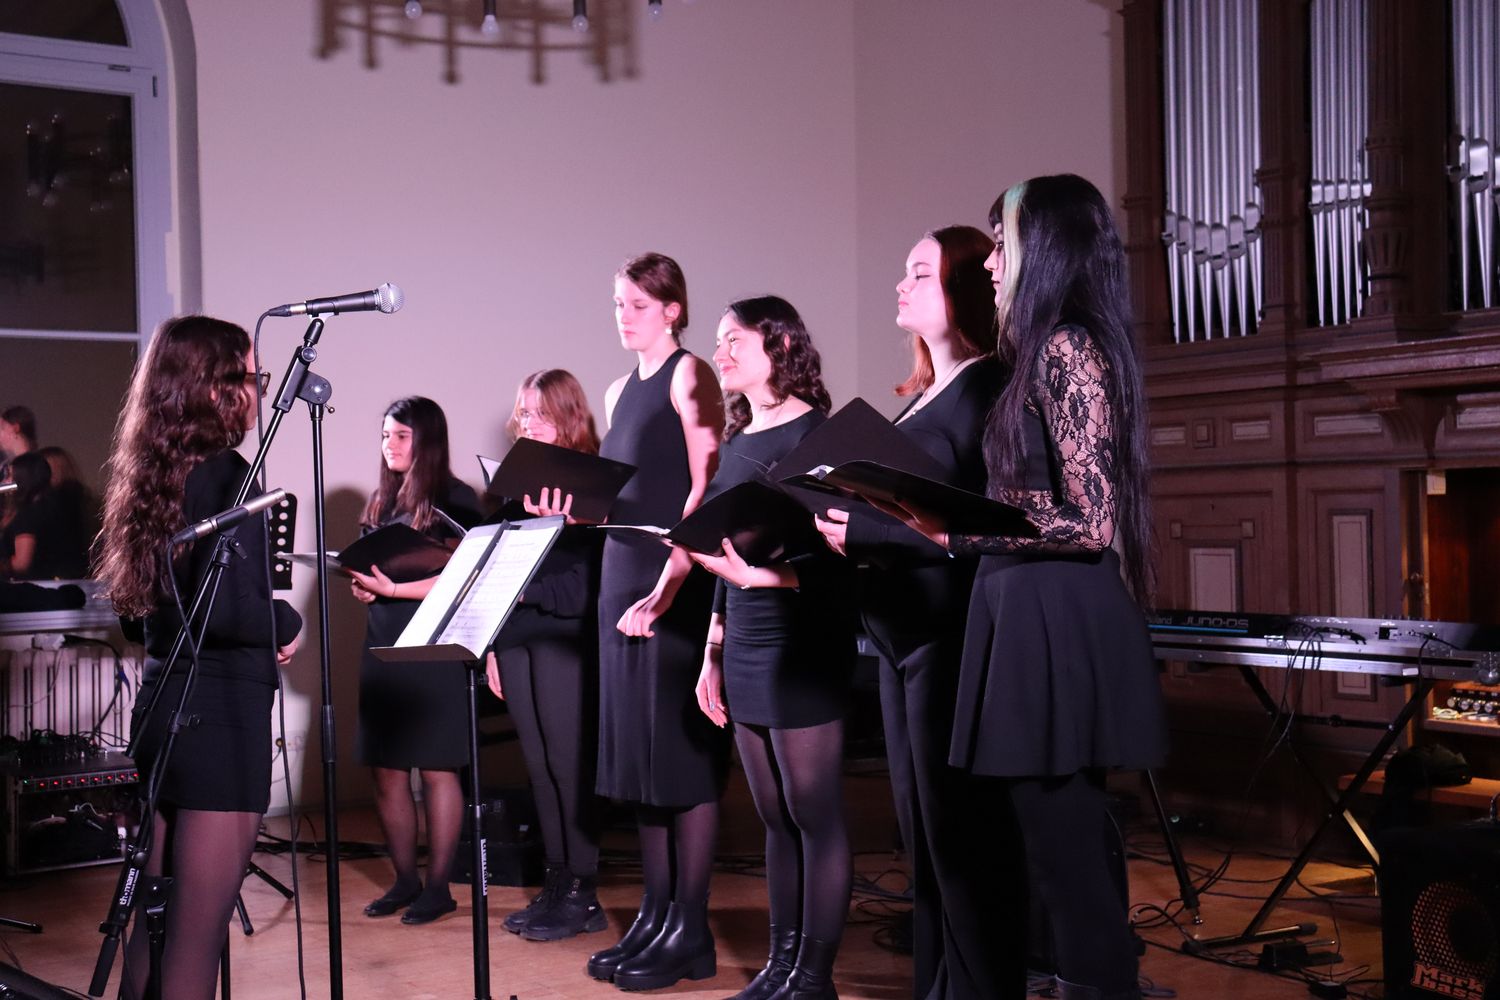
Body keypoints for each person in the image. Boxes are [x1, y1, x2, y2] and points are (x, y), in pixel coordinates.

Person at [884, 175, 1167, 1000]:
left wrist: (953, 529)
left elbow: (1092, 521)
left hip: (1055, 619)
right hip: (1023, 610)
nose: (992, 262)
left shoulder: (1064, 347)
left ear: (1047, 247)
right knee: (1053, 858)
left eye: (1003, 244)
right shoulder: (1039, 348)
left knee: (1068, 869)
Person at [812, 226, 1018, 1000]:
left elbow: (983, 526)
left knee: (959, 837)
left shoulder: (990, 388)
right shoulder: (924, 395)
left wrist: (865, 531)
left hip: (948, 635)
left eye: (920, 273)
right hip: (897, 639)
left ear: (962, 288)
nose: (901, 285)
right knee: (923, 839)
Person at [94, 315, 303, 1000]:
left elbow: (134, 614)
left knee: (151, 928)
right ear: (215, 388)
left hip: (162, 713)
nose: (257, 390)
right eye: (251, 376)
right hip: (221, 723)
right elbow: (233, 613)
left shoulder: (147, 476)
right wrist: (286, 618)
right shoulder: (229, 476)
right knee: (195, 936)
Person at [690, 296, 857, 1000]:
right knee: (774, 818)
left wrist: (762, 578)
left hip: (804, 640)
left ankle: (813, 977)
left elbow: (846, 563)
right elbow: (723, 552)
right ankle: (780, 966)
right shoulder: (740, 439)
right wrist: (712, 649)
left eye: (735, 339)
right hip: (747, 638)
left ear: (781, 344)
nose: (720, 352)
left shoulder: (820, 436)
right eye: (718, 341)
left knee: (814, 814)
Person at [587, 252, 727, 991]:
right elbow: (623, 495)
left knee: (679, 755)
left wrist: (672, 582)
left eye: (638, 304)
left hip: (670, 580)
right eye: (618, 303)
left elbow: (707, 486)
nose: (623, 316)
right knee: (637, 760)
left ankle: (690, 928)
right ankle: (654, 914)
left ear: (672, 309)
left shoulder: (688, 372)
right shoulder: (618, 390)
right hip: (619, 576)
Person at [482, 369, 606, 942]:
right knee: (537, 767)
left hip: (564, 637)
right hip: (517, 637)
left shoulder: (593, 485)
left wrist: (529, 589)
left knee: (568, 768)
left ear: (567, 417)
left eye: (540, 414)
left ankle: (583, 892)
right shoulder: (513, 487)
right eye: (523, 413)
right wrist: (491, 646)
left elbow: (588, 583)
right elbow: (496, 568)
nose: (527, 423)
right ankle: (556, 885)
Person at [346, 396, 480, 925]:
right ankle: (405, 880)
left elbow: (464, 578)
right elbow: (375, 573)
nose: (390, 444)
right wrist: (366, 588)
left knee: (438, 768)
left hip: (434, 645)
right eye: (385, 434)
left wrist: (395, 590)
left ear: (426, 440)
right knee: (387, 770)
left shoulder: (456, 499)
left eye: (401, 435)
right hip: (383, 642)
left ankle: (439, 887)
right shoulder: (382, 501)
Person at [0, 451, 89, 579]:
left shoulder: (29, 514)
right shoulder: (56, 505)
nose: (6, 481)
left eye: (9, 475)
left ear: (22, 478)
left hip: (41, 586)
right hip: (68, 582)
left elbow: (21, 564)